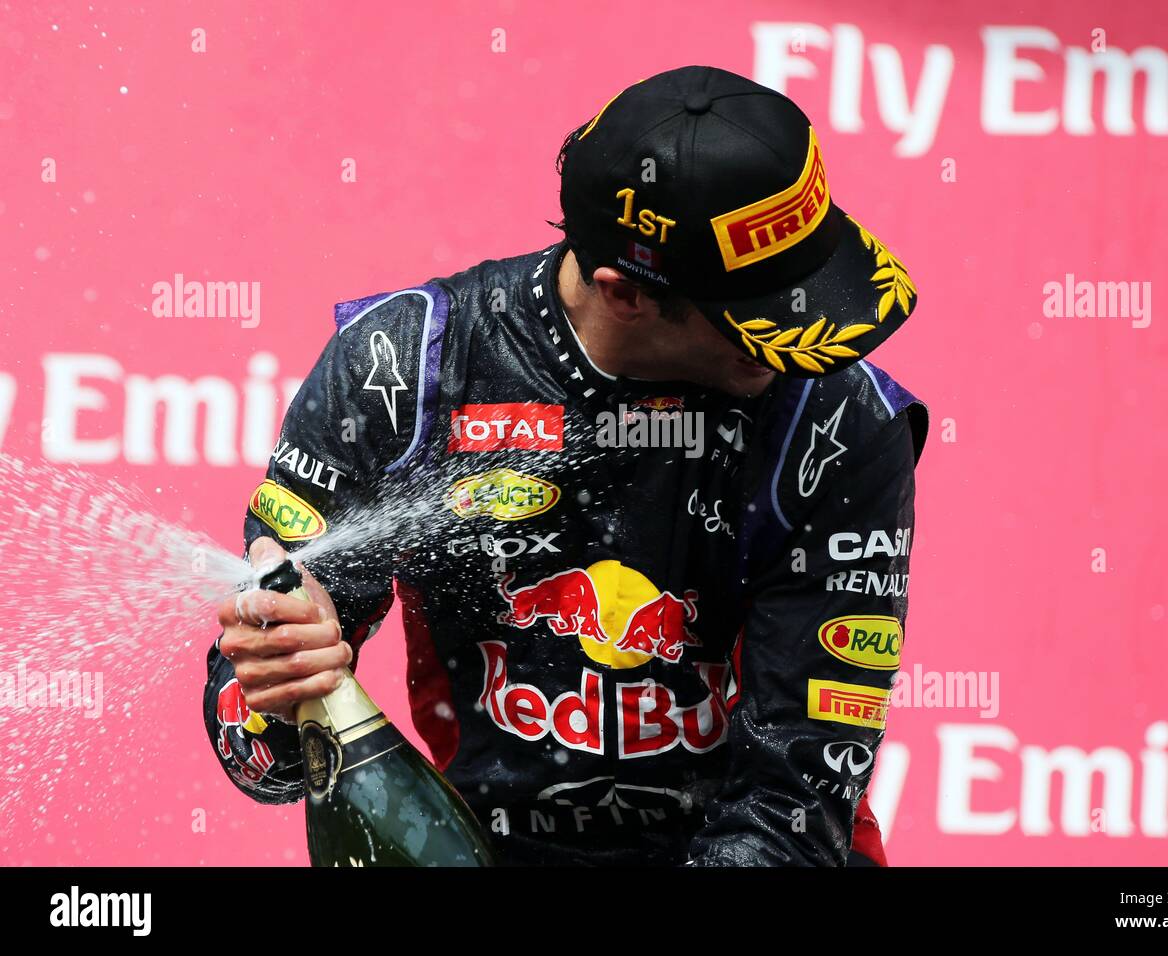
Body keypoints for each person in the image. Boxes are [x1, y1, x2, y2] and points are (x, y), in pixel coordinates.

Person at [203, 65, 927, 866]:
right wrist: (276, 684)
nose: (808, 347)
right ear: (623, 293)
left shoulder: (841, 417)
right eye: (761, 320)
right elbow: (262, 759)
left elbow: (799, 802)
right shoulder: (406, 370)